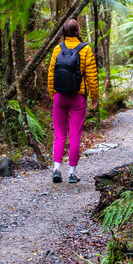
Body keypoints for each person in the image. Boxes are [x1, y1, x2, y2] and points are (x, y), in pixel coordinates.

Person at [47, 19, 99, 183]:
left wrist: (53, 95)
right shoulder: (86, 50)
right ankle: (72, 173)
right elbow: (91, 76)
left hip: (59, 97)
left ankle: (56, 169)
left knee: (59, 135)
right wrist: (95, 98)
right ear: (78, 31)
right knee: (75, 134)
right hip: (78, 98)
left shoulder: (57, 49)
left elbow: (51, 74)